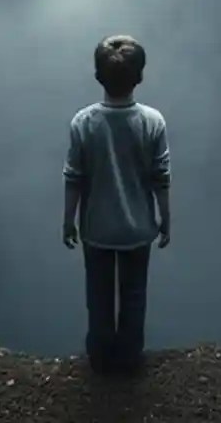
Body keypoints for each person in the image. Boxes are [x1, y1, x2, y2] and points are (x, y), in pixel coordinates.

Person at [62, 34, 172, 376]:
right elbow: (161, 177)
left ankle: (100, 358)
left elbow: (74, 177)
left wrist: (69, 220)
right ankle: (128, 358)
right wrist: (165, 219)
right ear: (139, 77)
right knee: (134, 294)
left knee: (98, 296)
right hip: (138, 229)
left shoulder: (83, 122)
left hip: (96, 229)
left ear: (98, 76)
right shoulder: (153, 121)